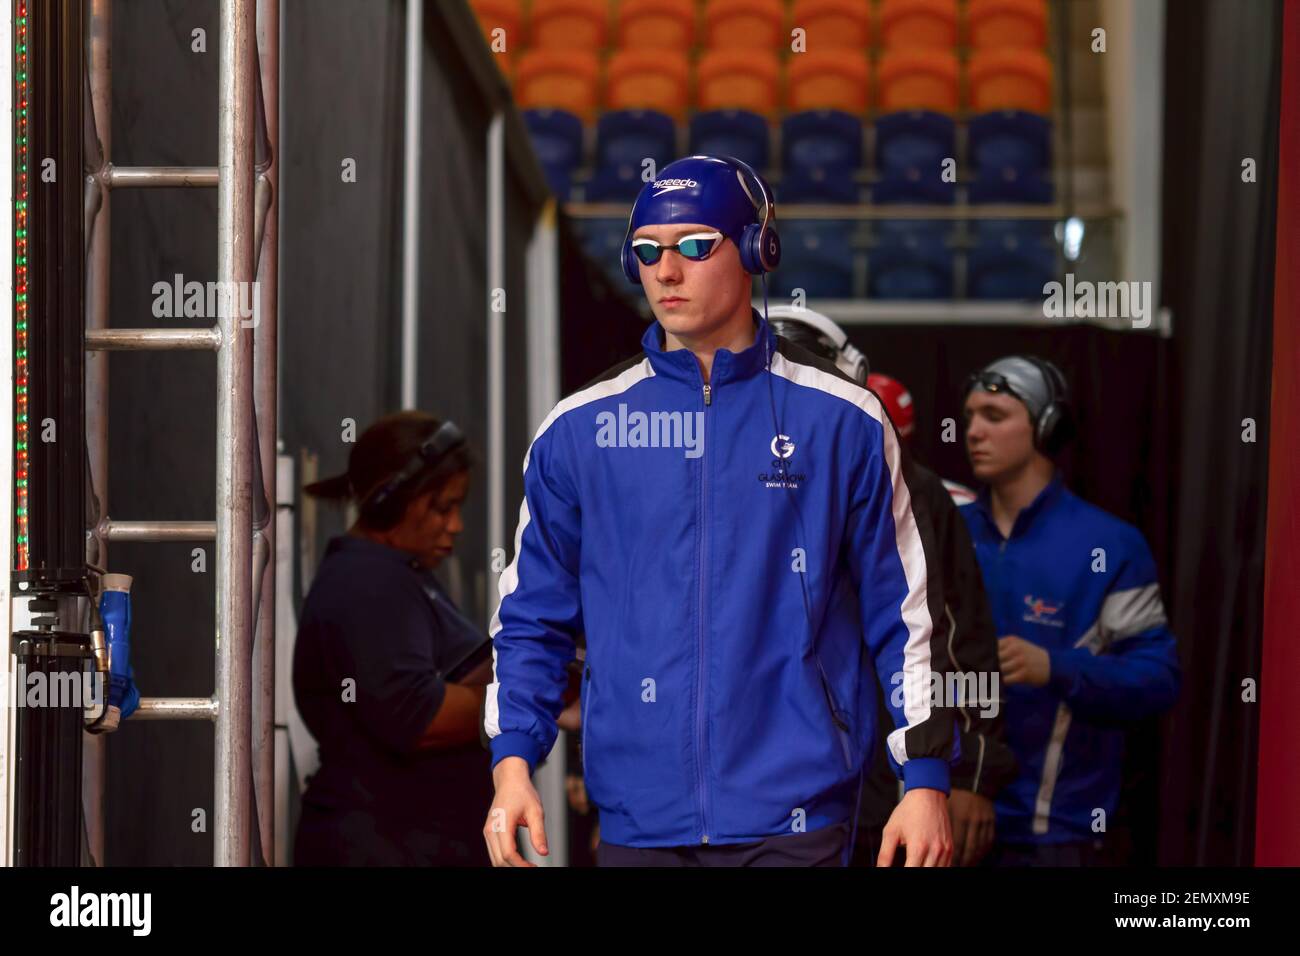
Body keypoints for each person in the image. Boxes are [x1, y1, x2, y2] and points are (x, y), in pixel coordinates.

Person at [483, 155, 956, 868]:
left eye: (694, 246)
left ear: (757, 249)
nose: (666, 272)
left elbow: (908, 613)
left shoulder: (845, 422)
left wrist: (925, 777)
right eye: (647, 252)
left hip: (796, 817)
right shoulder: (579, 430)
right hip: (637, 820)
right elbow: (531, 619)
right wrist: (513, 761)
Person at [766, 307, 1016, 867]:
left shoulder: (909, 485)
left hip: (883, 771)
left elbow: (956, 638)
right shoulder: (712, 478)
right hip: (756, 785)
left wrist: (970, 771)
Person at [958, 356, 1180, 865]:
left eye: (994, 415)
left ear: (1046, 425)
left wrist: (1054, 668)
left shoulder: (1109, 544)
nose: (973, 431)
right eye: (969, 416)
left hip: (1056, 834)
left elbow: (1158, 678)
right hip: (948, 822)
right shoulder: (948, 532)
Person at [292, 411, 496, 866]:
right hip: (382, 847)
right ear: (390, 500)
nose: (456, 525)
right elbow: (418, 715)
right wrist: (524, 694)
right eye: (443, 507)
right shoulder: (367, 583)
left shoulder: (400, 576)